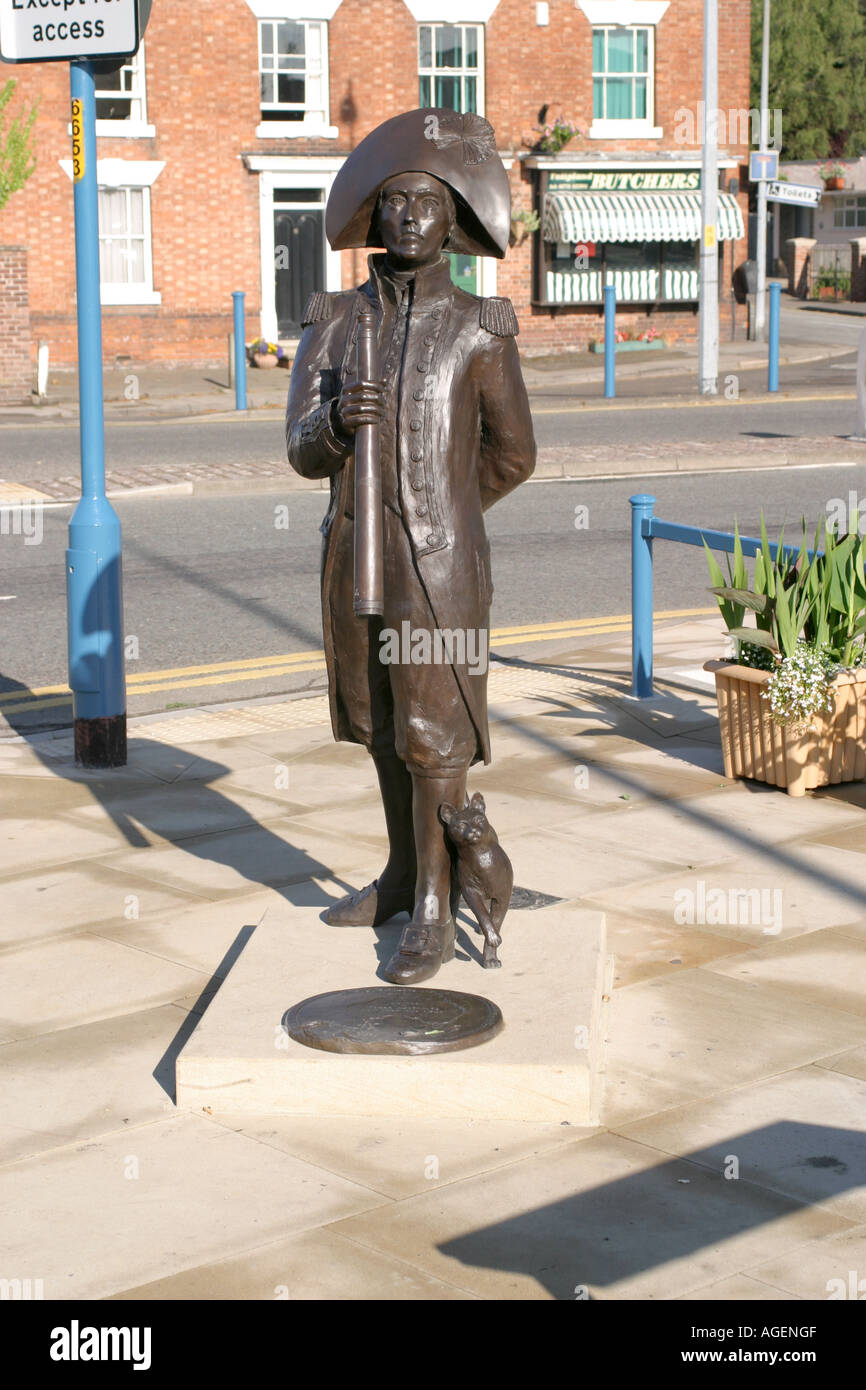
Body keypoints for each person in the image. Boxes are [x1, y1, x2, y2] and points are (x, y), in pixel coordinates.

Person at [286, 108, 536, 984]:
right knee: (381, 725)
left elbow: (513, 454)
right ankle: (400, 875)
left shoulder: (481, 326)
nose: (408, 217)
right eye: (393, 201)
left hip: (440, 568)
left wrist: (447, 517)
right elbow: (298, 451)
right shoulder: (334, 317)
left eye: (426, 202)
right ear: (374, 217)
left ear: (454, 217)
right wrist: (332, 427)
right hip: (355, 558)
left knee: (436, 739)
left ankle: (435, 900)